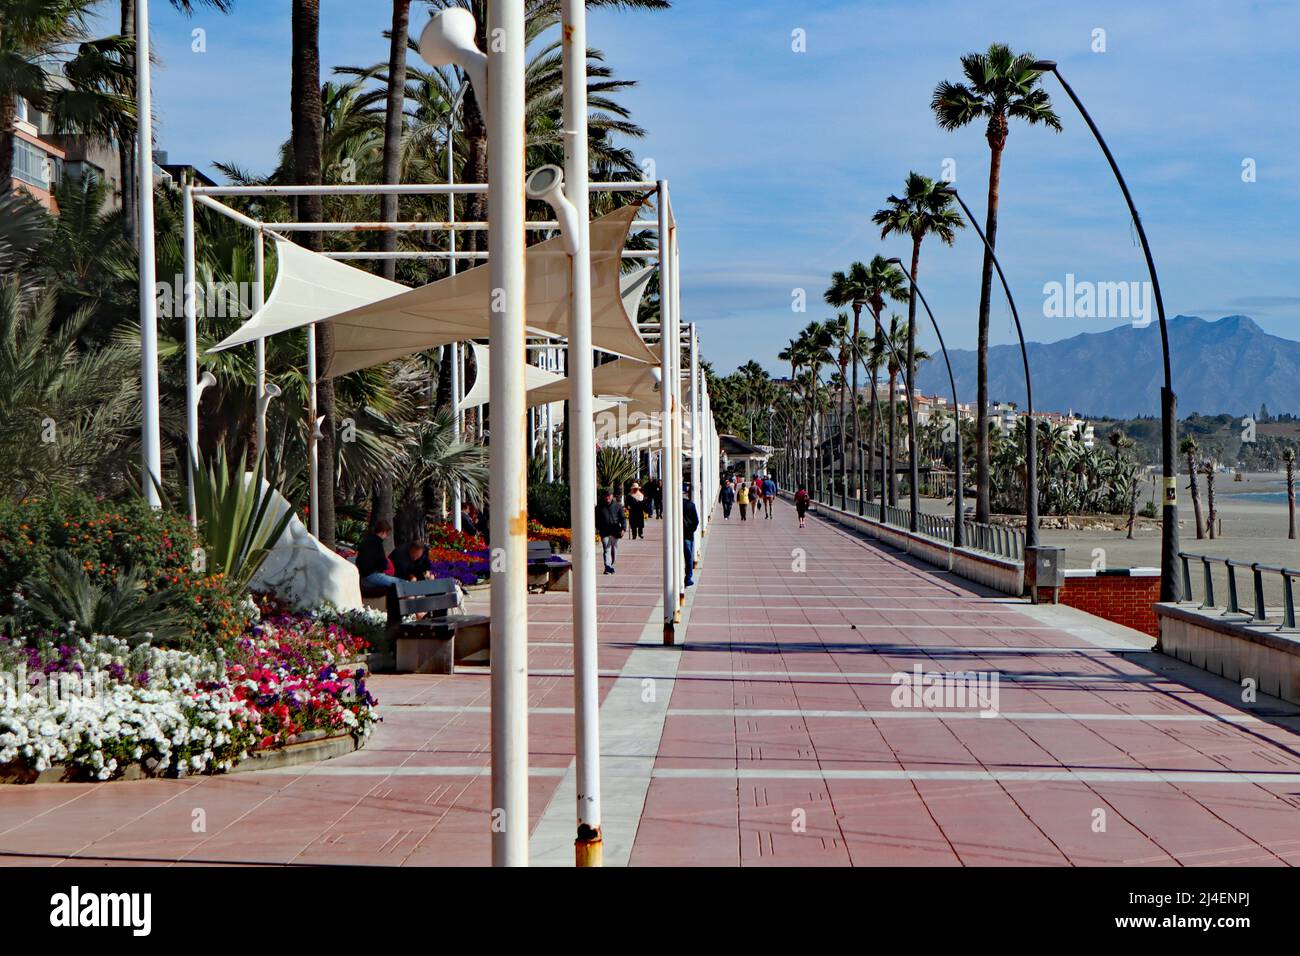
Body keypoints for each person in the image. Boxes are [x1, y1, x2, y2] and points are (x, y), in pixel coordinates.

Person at [357, 518, 402, 590]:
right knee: (403, 583)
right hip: (372, 576)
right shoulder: (377, 543)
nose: (386, 537)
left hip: (363, 576)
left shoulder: (367, 540)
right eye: (387, 534)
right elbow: (382, 563)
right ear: (383, 532)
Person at [595, 488, 626, 574]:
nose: (607, 497)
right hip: (604, 531)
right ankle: (607, 567)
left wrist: (623, 528)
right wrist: (597, 528)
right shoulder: (599, 506)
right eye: (606, 496)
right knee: (606, 549)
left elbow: (622, 518)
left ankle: (611, 565)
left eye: (609, 495)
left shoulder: (618, 506)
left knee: (614, 549)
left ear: (612, 496)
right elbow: (596, 519)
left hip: (615, 530)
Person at [682, 487, 700, 586]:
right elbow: (696, 521)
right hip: (688, 535)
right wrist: (691, 529)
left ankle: (680, 576)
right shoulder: (691, 505)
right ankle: (688, 578)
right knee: (688, 557)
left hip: (677, 535)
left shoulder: (675, 505)